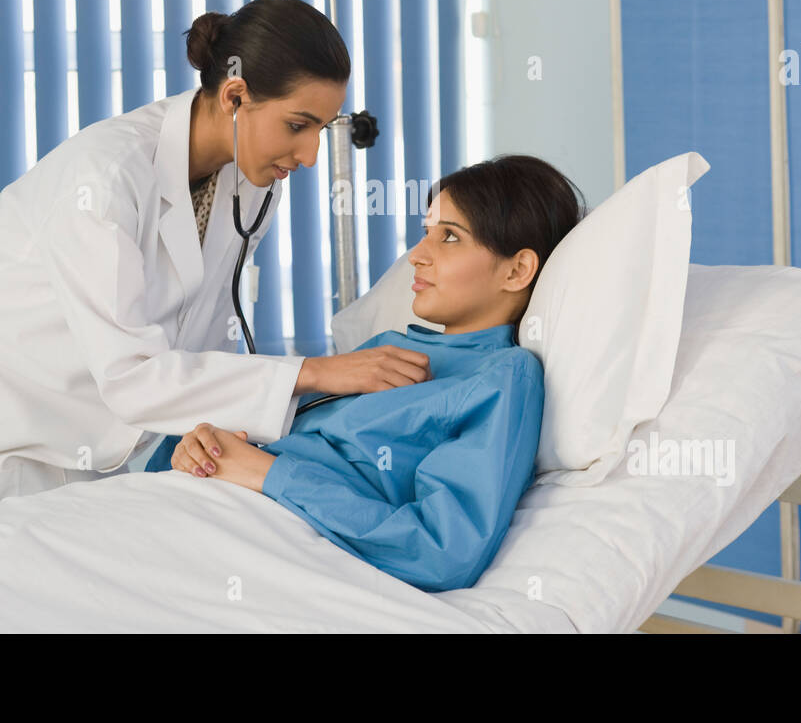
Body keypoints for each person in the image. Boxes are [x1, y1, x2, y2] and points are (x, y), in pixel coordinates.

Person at [0, 0, 432, 521]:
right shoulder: (105, 179)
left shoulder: (252, 182)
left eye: (323, 128)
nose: (310, 155)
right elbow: (132, 374)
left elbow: (205, 332)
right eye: (297, 126)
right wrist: (312, 372)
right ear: (235, 96)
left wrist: (218, 430)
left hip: (74, 443)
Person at [147, 155, 586, 591]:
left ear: (517, 270)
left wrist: (264, 473)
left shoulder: (502, 378)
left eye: (449, 237)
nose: (416, 256)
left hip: (270, 530)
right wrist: (198, 446)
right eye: (425, 234)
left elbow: (440, 551)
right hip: (189, 501)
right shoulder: (385, 351)